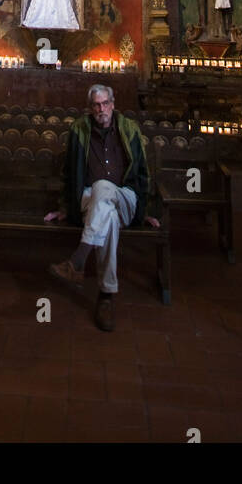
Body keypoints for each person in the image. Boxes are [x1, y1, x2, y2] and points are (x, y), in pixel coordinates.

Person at [46, 84, 159, 330]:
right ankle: (106, 297)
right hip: (92, 199)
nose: (101, 109)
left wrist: (146, 211)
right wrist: (65, 206)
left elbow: (142, 173)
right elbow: (69, 173)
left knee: (104, 188)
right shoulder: (79, 130)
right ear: (90, 108)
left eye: (105, 103)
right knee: (105, 209)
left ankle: (78, 259)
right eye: (96, 105)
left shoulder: (129, 129)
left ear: (113, 104)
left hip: (125, 196)